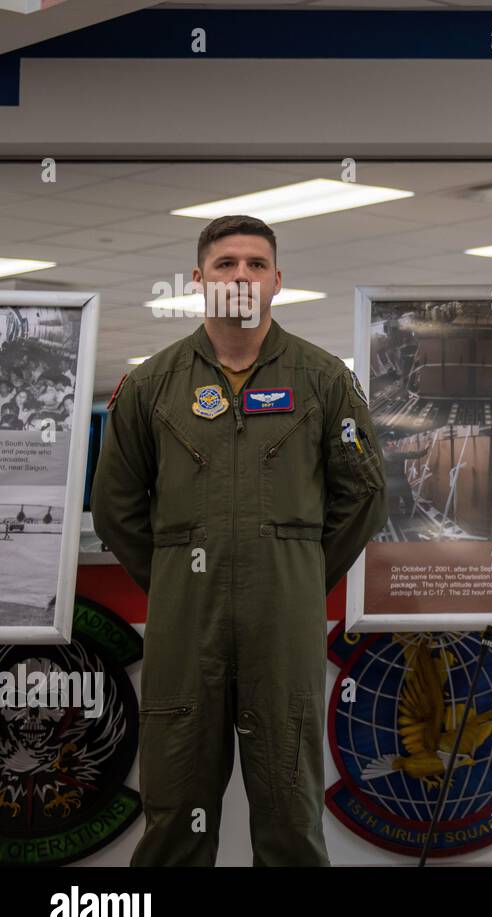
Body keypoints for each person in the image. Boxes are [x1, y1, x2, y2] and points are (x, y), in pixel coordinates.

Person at [91, 215, 388, 866]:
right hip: (184, 633)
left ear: (277, 282)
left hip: (283, 628)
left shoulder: (323, 380)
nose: (241, 276)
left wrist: (300, 571)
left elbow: (364, 494)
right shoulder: (151, 385)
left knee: (290, 820)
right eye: (226, 264)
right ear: (198, 281)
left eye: (256, 264)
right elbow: (115, 509)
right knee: (174, 820)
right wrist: (175, 576)